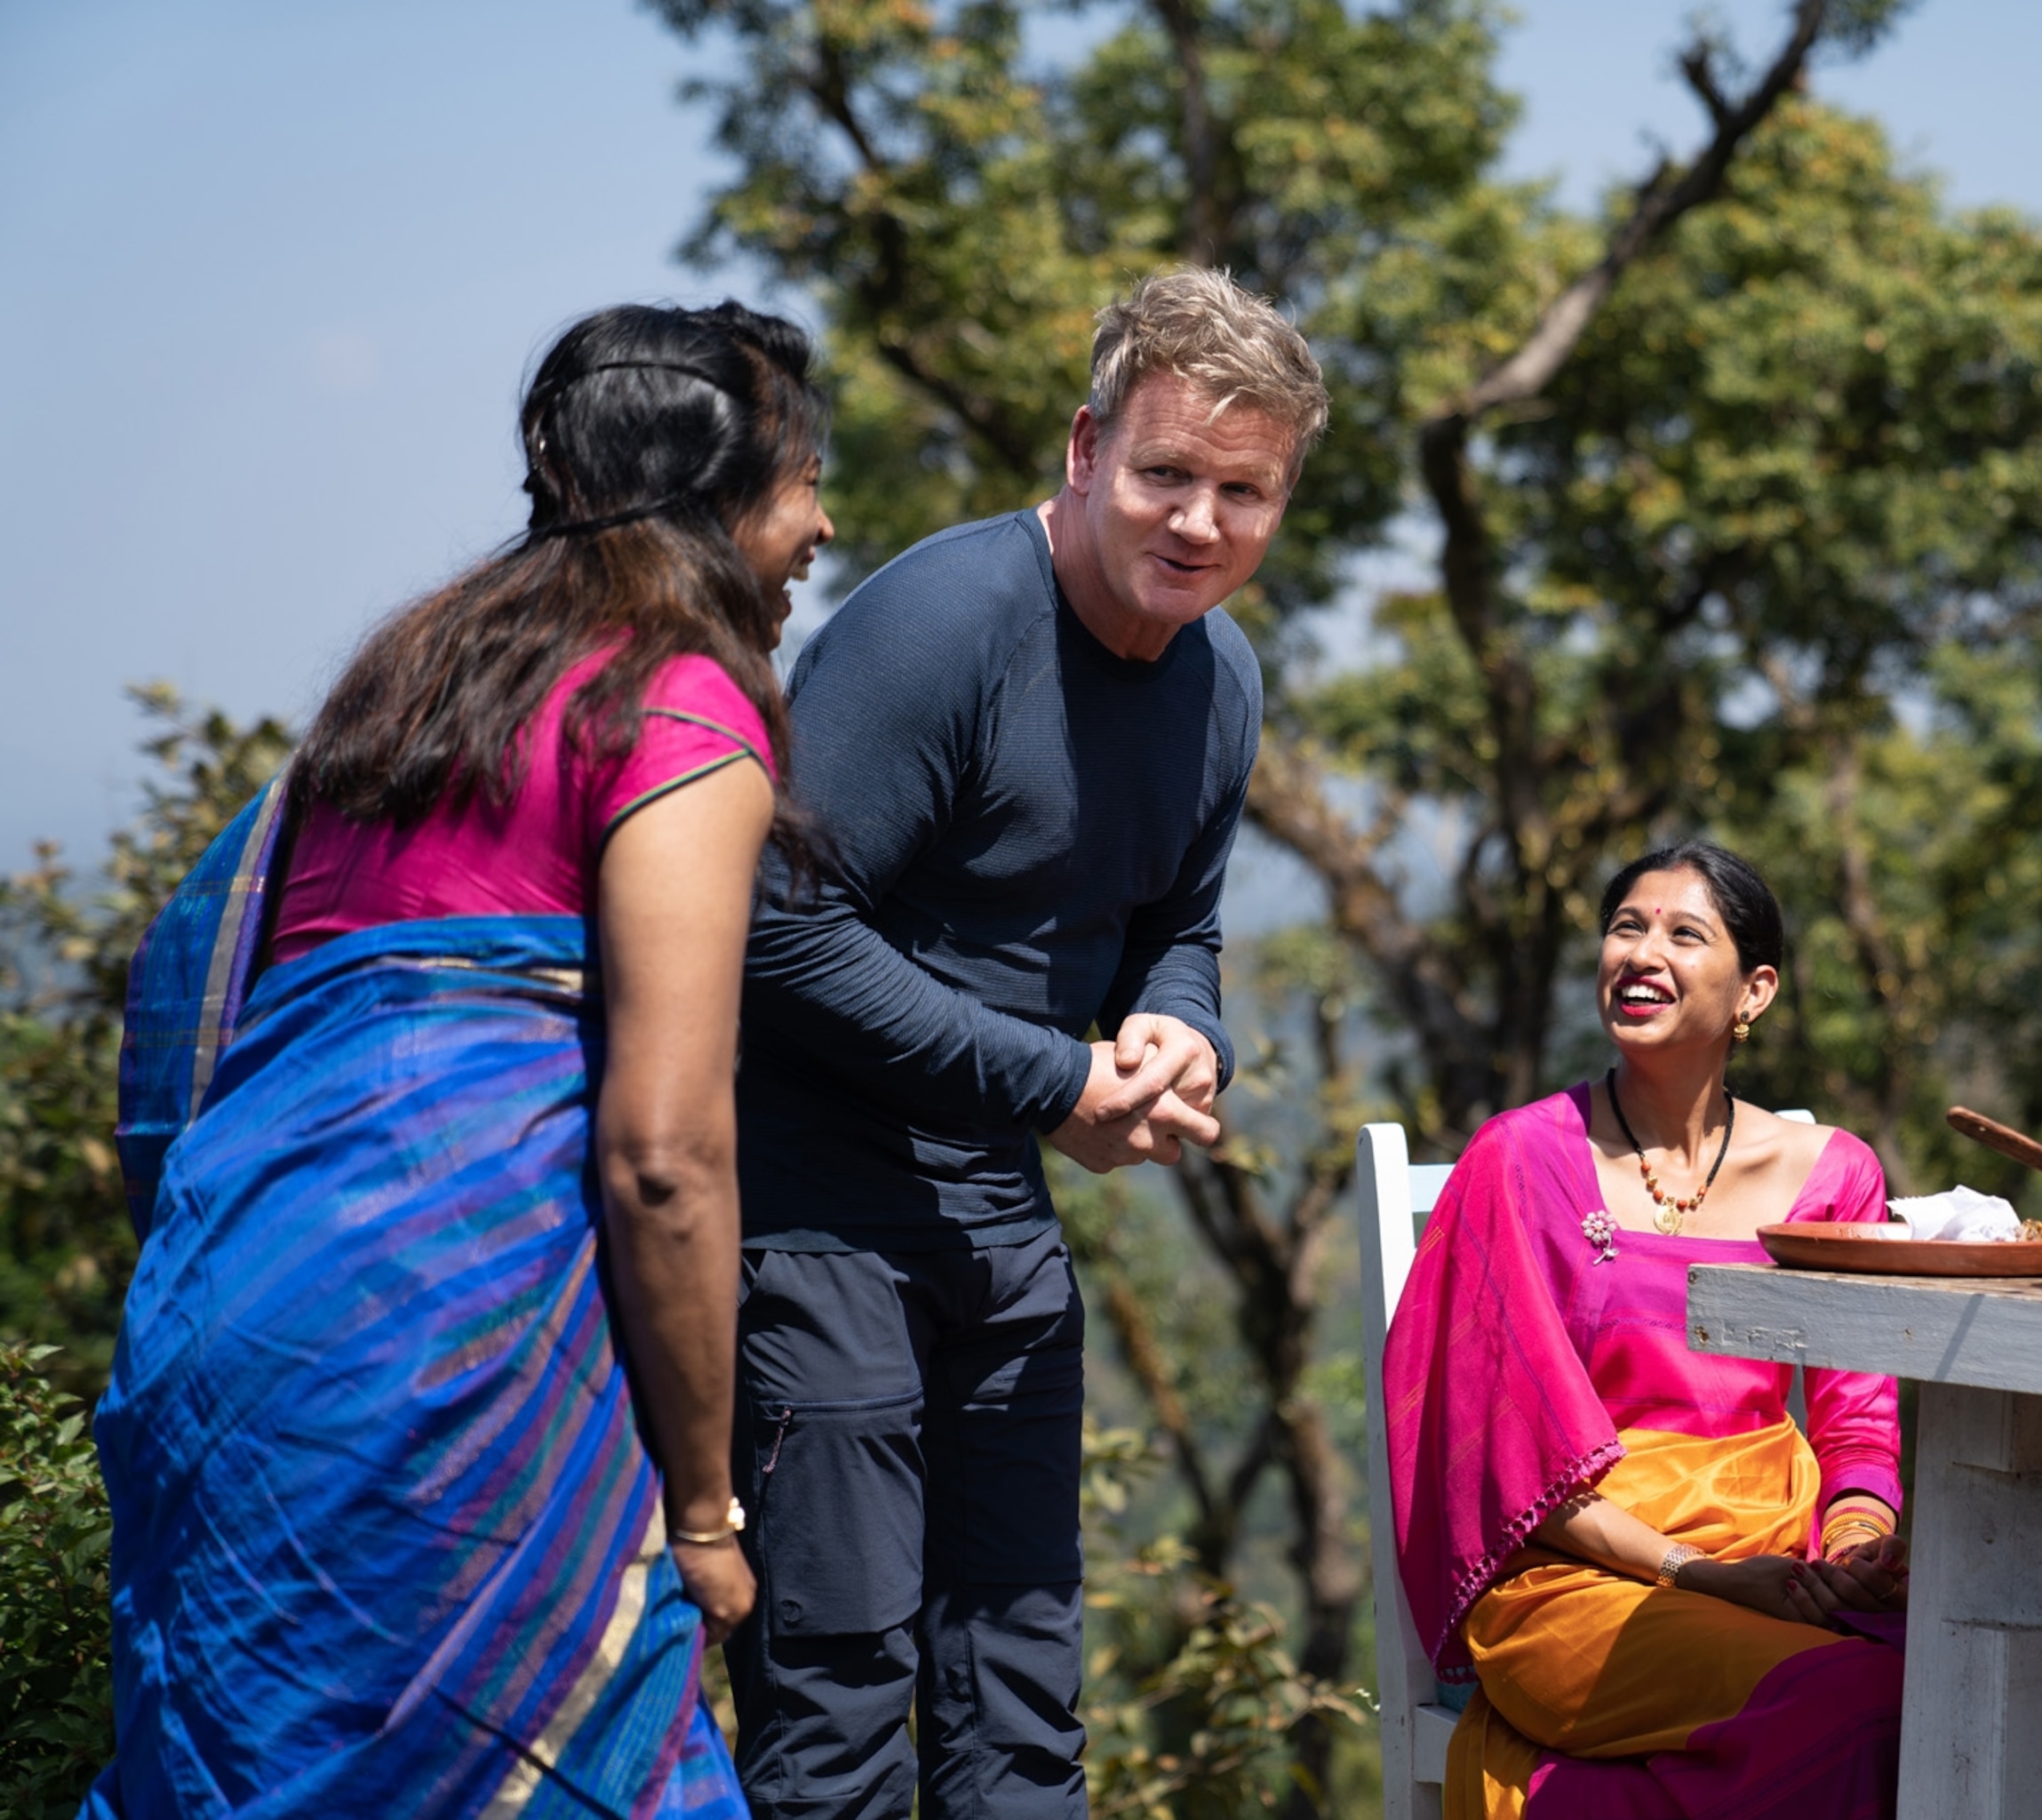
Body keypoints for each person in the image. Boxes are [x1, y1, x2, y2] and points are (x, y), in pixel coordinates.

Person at [87, 302, 832, 1817]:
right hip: (462, 1366)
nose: (822, 523)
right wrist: (704, 1505)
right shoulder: (677, 702)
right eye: (808, 476)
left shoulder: (404, 687)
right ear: (723, 497)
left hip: (238, 1324)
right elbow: (664, 1157)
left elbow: (196, 996)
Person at [722, 267, 1327, 1818]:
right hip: (816, 1218)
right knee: (838, 1698)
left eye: (1241, 490)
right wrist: (1053, 1078)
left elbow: (1174, 925)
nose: (1198, 522)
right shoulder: (940, 623)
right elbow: (777, 931)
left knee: (1018, 1684)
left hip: (994, 1219)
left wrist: (1181, 1036)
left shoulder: (1221, 676)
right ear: (1082, 450)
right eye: (1166, 473)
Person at [1383, 841, 1908, 1820]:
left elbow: (1860, 1422)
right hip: (1577, 1580)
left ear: (1755, 991)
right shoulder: (1519, 1161)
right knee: (1862, 1705)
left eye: (1682, 932)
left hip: (1779, 1554)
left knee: (1979, 1667)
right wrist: (1701, 1572)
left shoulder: (1834, 1171)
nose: (1640, 952)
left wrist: (1857, 1540)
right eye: (1626, 926)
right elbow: (1504, 1464)